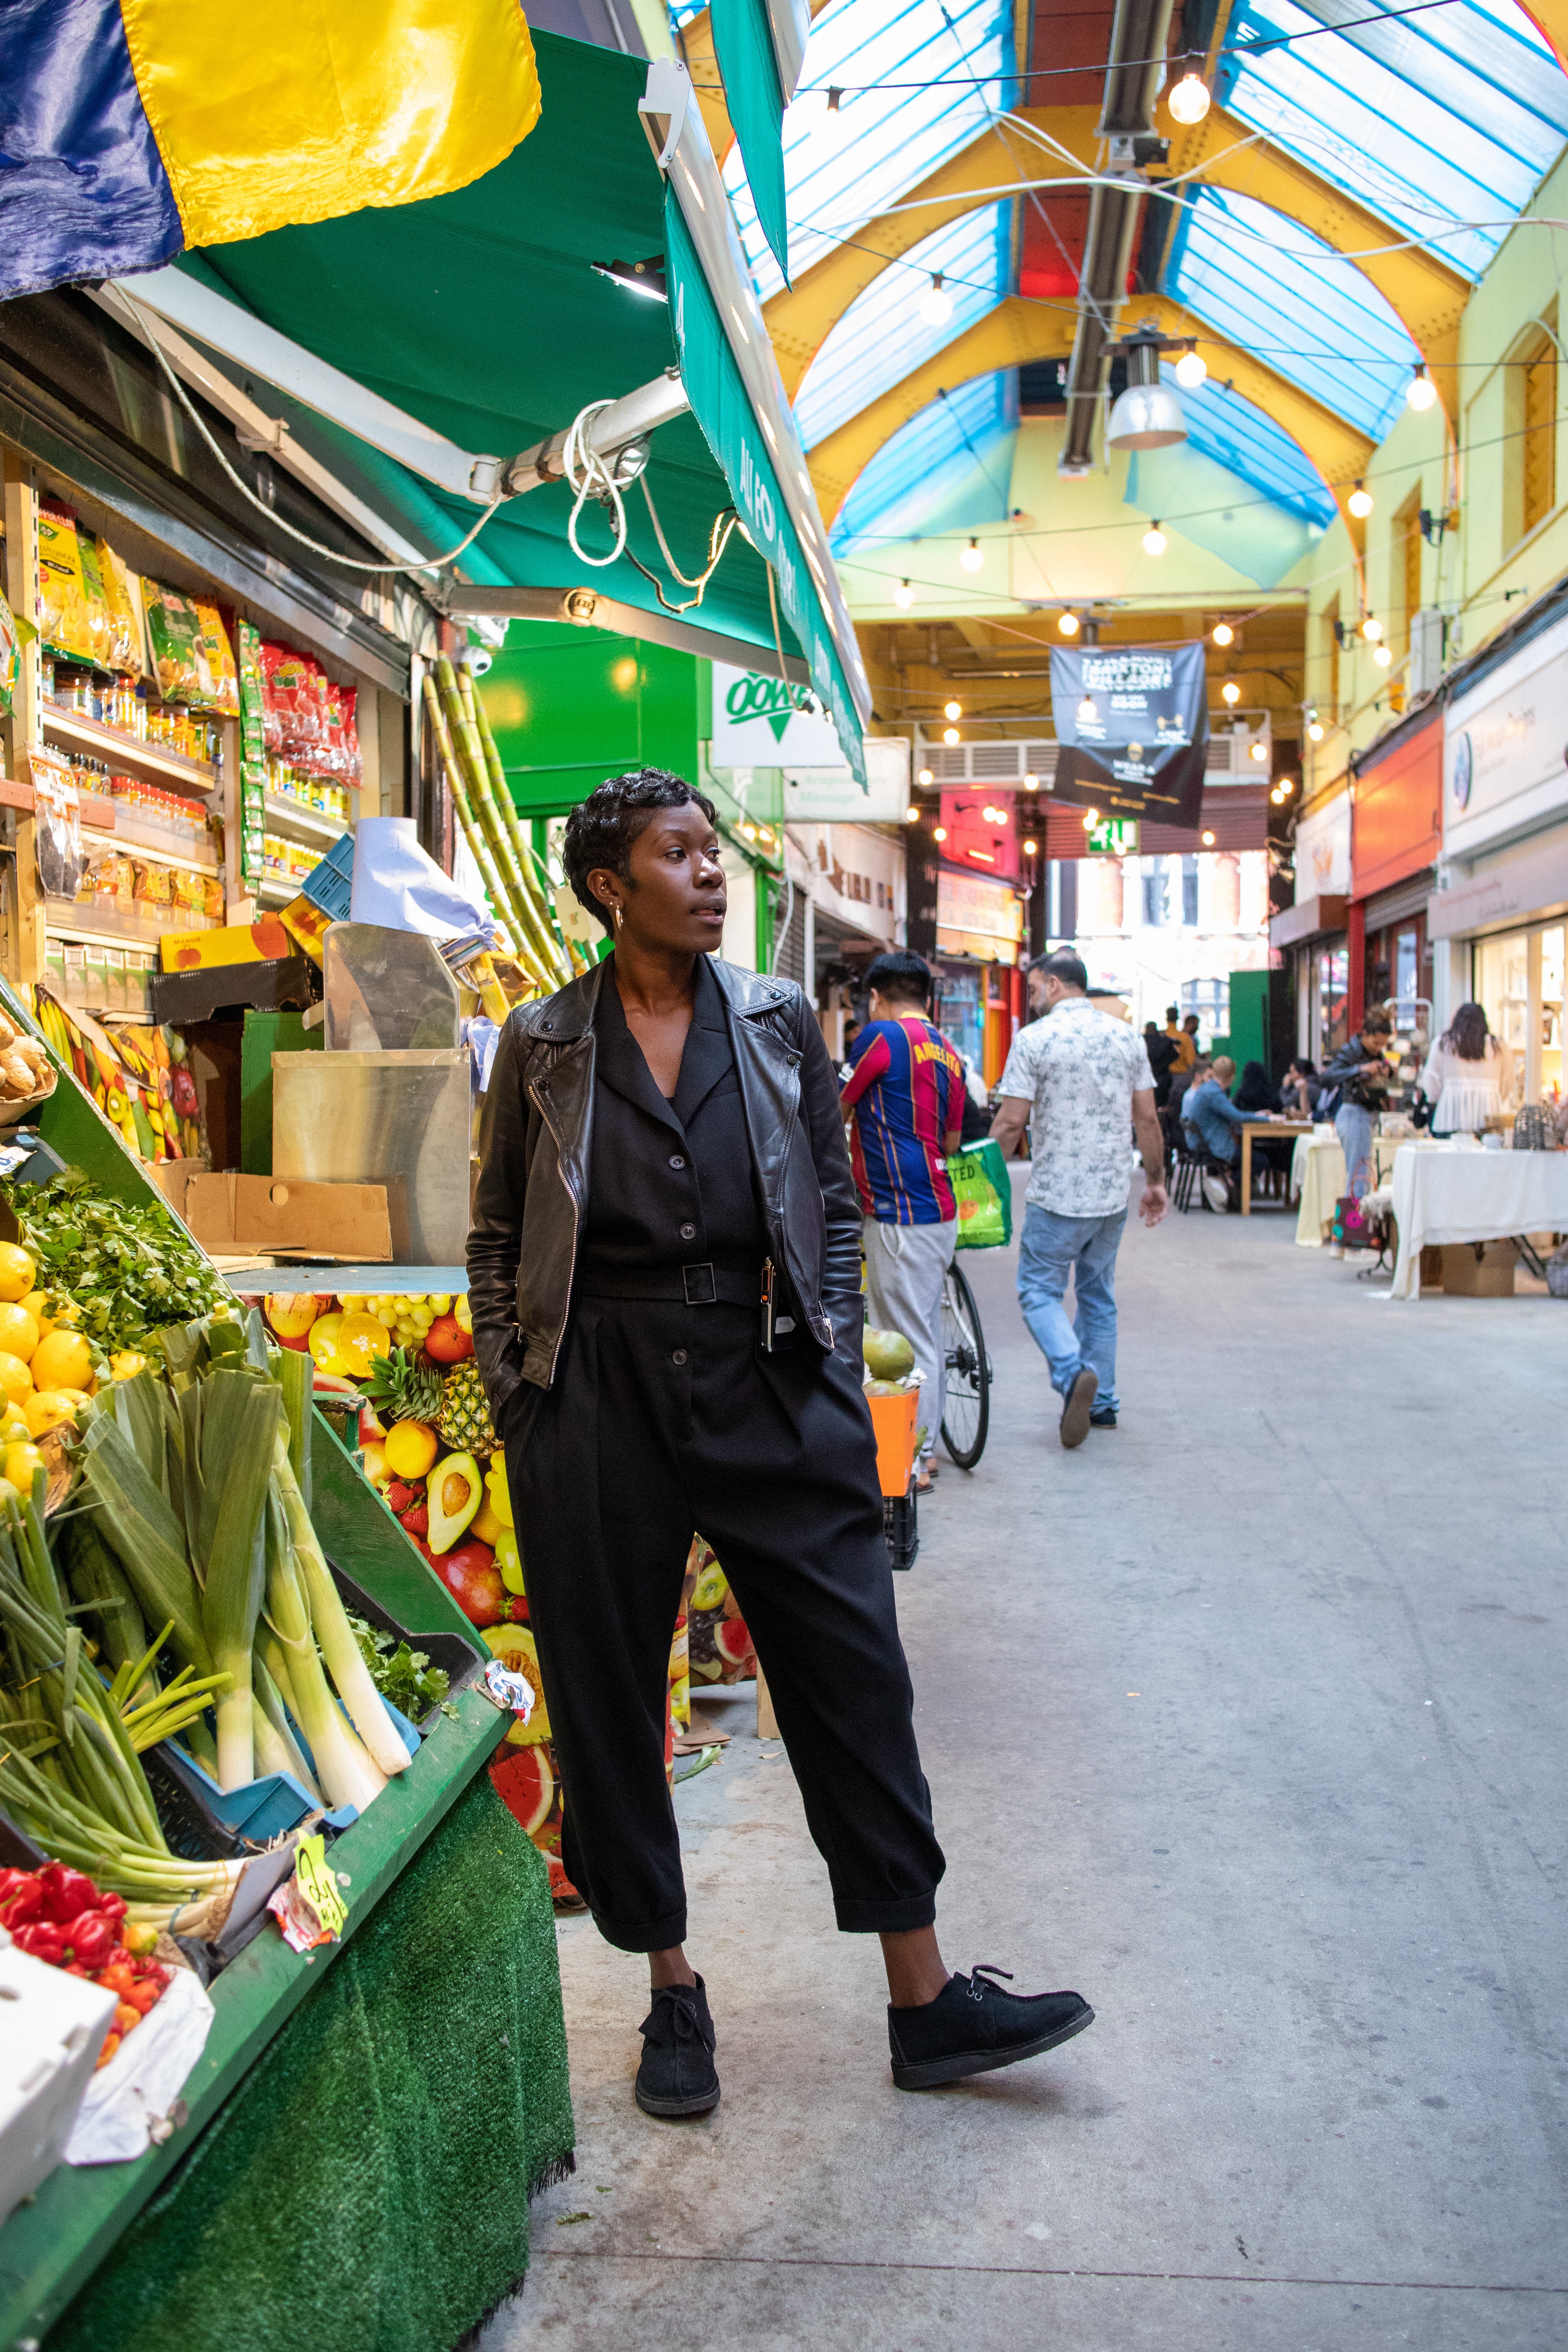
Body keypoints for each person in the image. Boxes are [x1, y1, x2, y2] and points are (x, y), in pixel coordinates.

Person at [469, 771, 1093, 2119]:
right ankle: (671, 1986)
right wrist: (527, 1402)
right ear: (608, 887)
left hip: (768, 1373)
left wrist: (827, 1357)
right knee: (612, 1697)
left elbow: (833, 1197)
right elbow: (499, 1233)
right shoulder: (542, 1038)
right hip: (598, 1389)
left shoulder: (774, 1019)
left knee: (853, 1674)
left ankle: (925, 1995)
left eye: (711, 850)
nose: (709, 873)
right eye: (676, 853)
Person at [990, 948, 1167, 1446]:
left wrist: (983, 1178)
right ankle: (1103, 1401)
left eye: (1032, 989)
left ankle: (1072, 1374)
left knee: (1038, 1292)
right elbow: (1147, 1118)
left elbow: (1010, 1122)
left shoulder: (1034, 1039)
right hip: (1110, 1195)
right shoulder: (1126, 1037)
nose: (1031, 999)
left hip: (1056, 1195)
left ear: (1052, 984)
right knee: (1097, 1295)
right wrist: (1155, 1181)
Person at [839, 950, 965, 1491]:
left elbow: (834, 1107)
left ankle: (915, 1457)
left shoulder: (881, 1037)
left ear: (875, 997)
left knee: (901, 1339)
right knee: (924, 1328)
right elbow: (952, 1140)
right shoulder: (949, 1051)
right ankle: (923, 1447)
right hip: (939, 1210)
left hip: (898, 1211)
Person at [1320, 1010, 1392, 1197]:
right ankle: (1355, 1215)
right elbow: (1326, 1078)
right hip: (1354, 1113)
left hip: (1366, 1116)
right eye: (1376, 1043)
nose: (1379, 1048)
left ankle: (1357, 1215)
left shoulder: (1375, 1054)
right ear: (1366, 1034)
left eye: (1383, 1045)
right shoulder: (1351, 1052)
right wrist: (1360, 1069)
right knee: (1358, 1177)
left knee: (1362, 1175)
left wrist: (1387, 1073)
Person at [1420, 1002, 1516, 1133]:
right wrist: (1495, 1097)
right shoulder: (1498, 1046)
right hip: (1489, 1113)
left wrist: (1437, 1099)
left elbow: (1432, 1080)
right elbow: (1508, 1080)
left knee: (1449, 1147)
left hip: (1451, 1115)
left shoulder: (1443, 1043)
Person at [1142, 1020, 1179, 1108]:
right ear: (1156, 1030)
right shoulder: (1166, 1042)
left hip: (1146, 1078)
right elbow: (1176, 1055)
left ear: (1146, 1029)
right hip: (1163, 1078)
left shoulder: (1141, 1041)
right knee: (1162, 1105)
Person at [1164, 1005, 1196, 1074]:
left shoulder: (1162, 1037)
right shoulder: (1185, 1037)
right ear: (1177, 1019)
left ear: (1166, 1019)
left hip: (1164, 1075)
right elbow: (1191, 1061)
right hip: (1181, 1076)